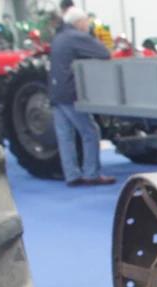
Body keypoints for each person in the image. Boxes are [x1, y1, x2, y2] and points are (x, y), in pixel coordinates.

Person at [49, 9, 114, 186]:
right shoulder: (75, 37)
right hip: (70, 94)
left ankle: (71, 175)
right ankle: (92, 174)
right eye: (86, 22)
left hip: (56, 92)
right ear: (79, 22)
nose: (88, 25)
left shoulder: (59, 37)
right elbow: (103, 53)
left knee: (65, 136)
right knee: (91, 132)